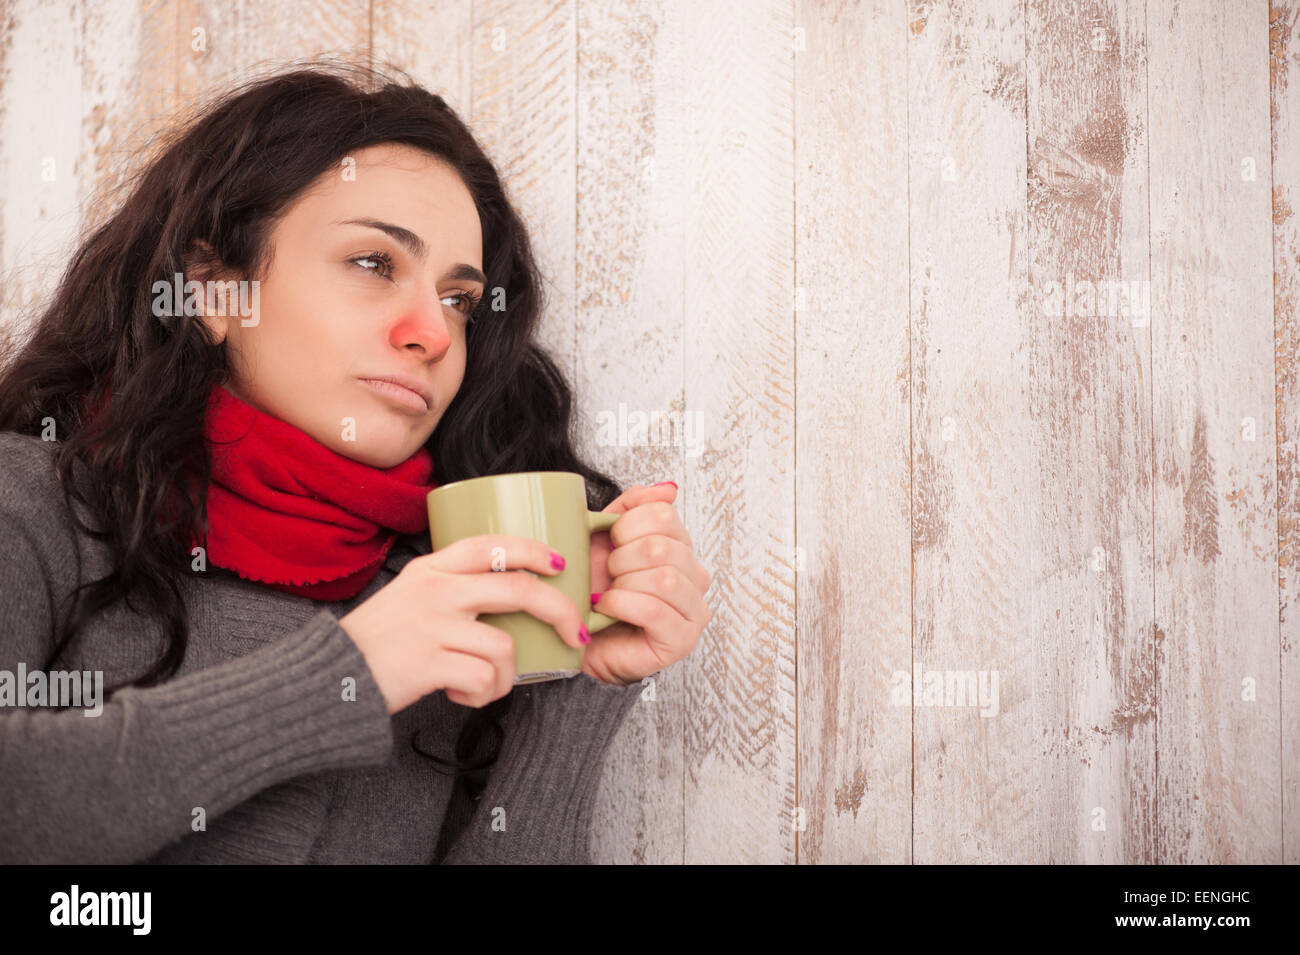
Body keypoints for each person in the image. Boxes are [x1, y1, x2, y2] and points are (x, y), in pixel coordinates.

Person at [0, 60, 713, 864]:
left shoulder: (446, 595)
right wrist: (350, 675)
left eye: (460, 299)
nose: (435, 333)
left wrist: (574, 676)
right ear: (213, 290)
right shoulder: (31, 505)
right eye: (375, 264)